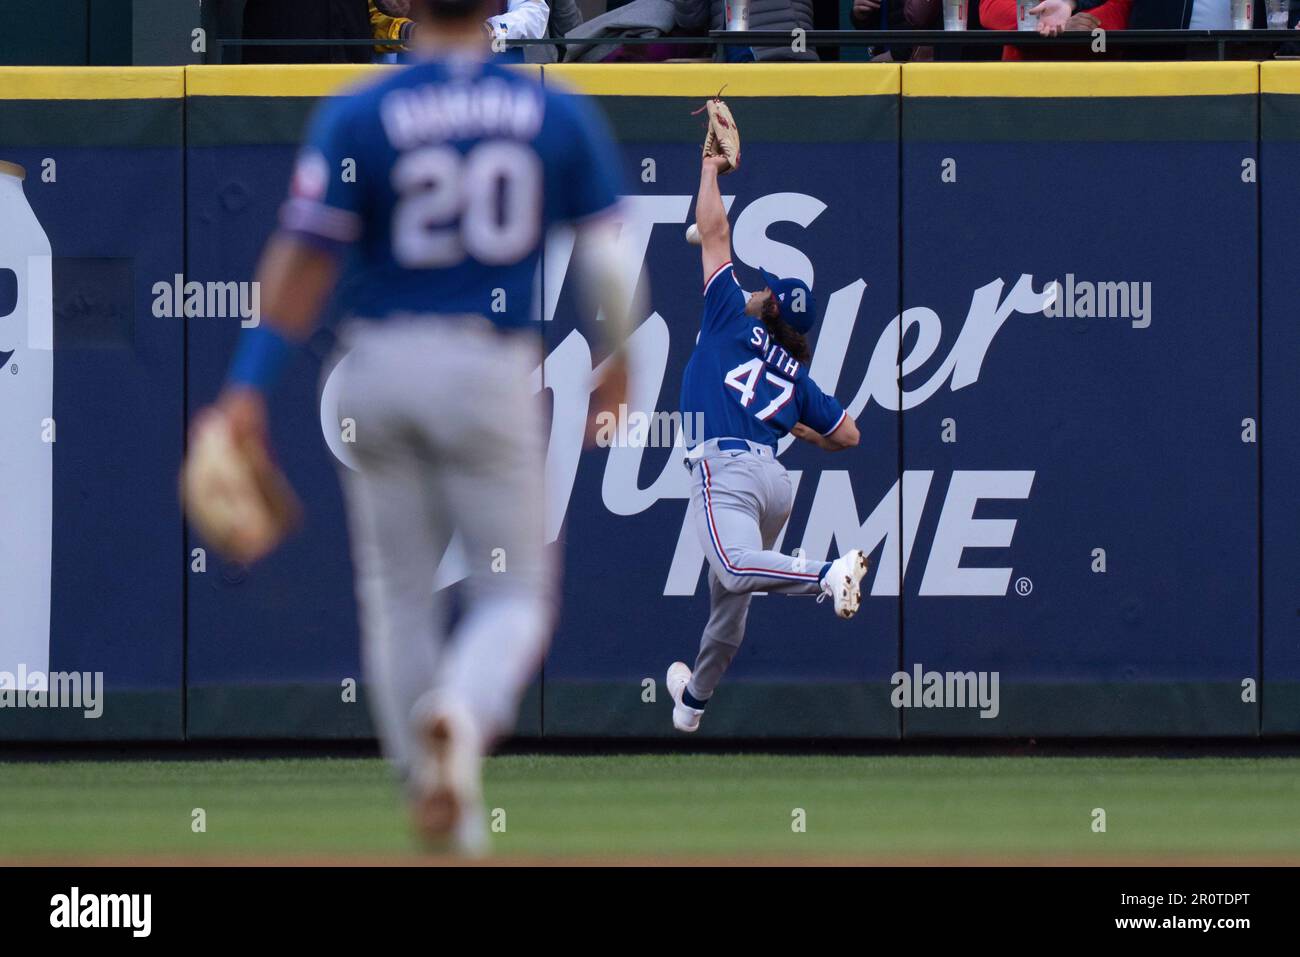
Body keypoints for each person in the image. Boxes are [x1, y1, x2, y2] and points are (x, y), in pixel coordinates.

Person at [195, 0, 635, 854]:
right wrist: (620, 355)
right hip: (486, 368)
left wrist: (247, 387)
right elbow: (610, 258)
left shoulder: (363, 110)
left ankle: (443, 805)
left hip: (376, 366)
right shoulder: (551, 107)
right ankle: (460, 717)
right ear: (498, 6)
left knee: (397, 602)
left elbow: (301, 259)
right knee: (513, 596)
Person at [665, 152, 869, 735]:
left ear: (768, 303)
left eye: (767, 291)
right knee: (729, 603)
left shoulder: (728, 313)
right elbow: (850, 434)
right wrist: (800, 426)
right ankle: (693, 702)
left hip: (725, 471)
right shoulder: (796, 376)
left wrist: (707, 169)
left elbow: (714, 229)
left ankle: (827, 574)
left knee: (732, 568)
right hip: (774, 485)